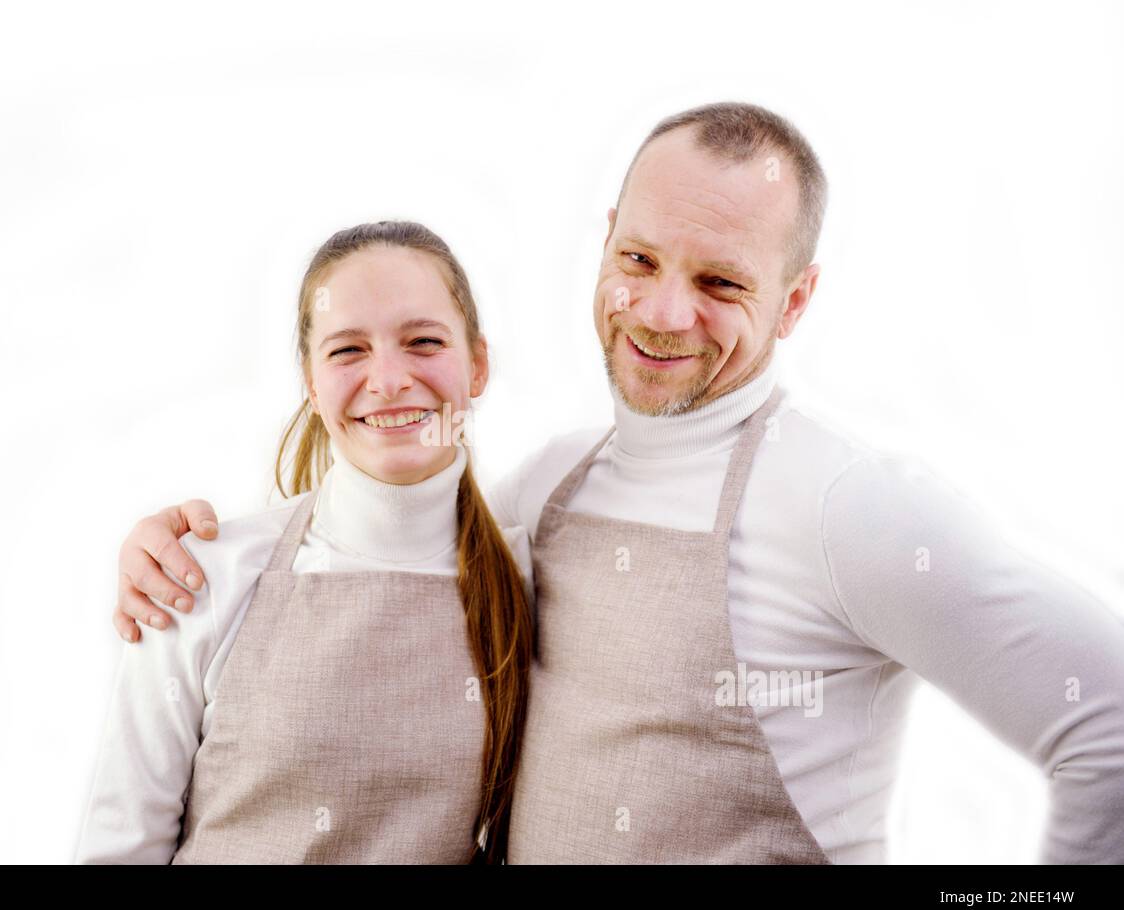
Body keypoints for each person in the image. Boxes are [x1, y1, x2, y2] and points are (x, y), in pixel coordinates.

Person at [110, 103, 1124, 864]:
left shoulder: (849, 506)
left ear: (796, 299)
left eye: (721, 282)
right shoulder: (545, 490)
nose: (664, 313)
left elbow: (1106, 716)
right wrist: (180, 554)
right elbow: (382, 546)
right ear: (603, 240)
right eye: (638, 258)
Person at [75, 220, 535, 864]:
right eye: (348, 351)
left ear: (478, 365)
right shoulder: (203, 574)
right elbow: (120, 845)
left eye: (424, 341)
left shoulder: (532, 581)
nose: (389, 379)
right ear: (311, 384)